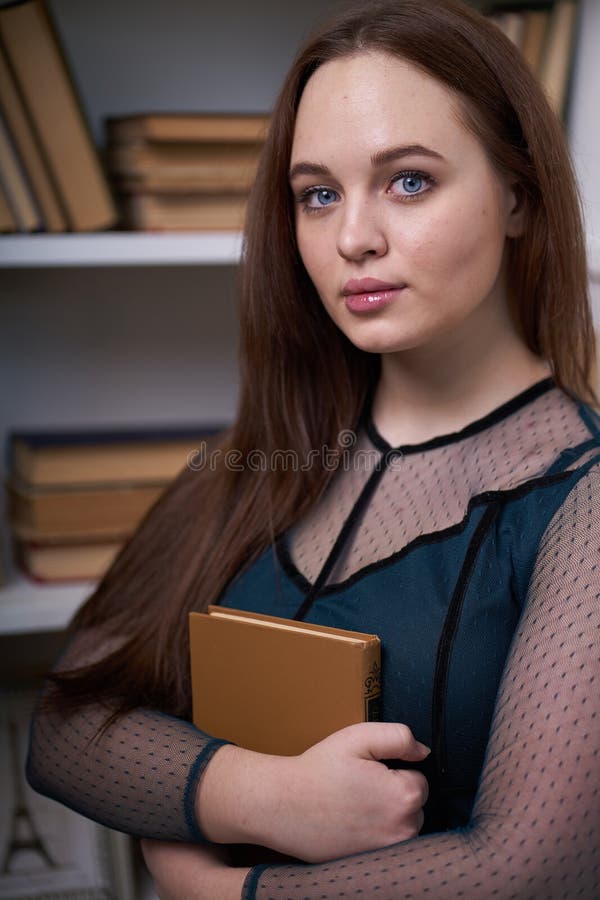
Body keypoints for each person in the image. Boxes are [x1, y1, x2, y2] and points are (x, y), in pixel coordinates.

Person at [26, 0, 599, 897]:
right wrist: (258, 797)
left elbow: (535, 869)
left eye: (408, 181)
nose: (352, 239)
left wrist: (213, 888)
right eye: (317, 194)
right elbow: (67, 723)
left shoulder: (584, 498)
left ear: (519, 195)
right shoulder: (262, 451)